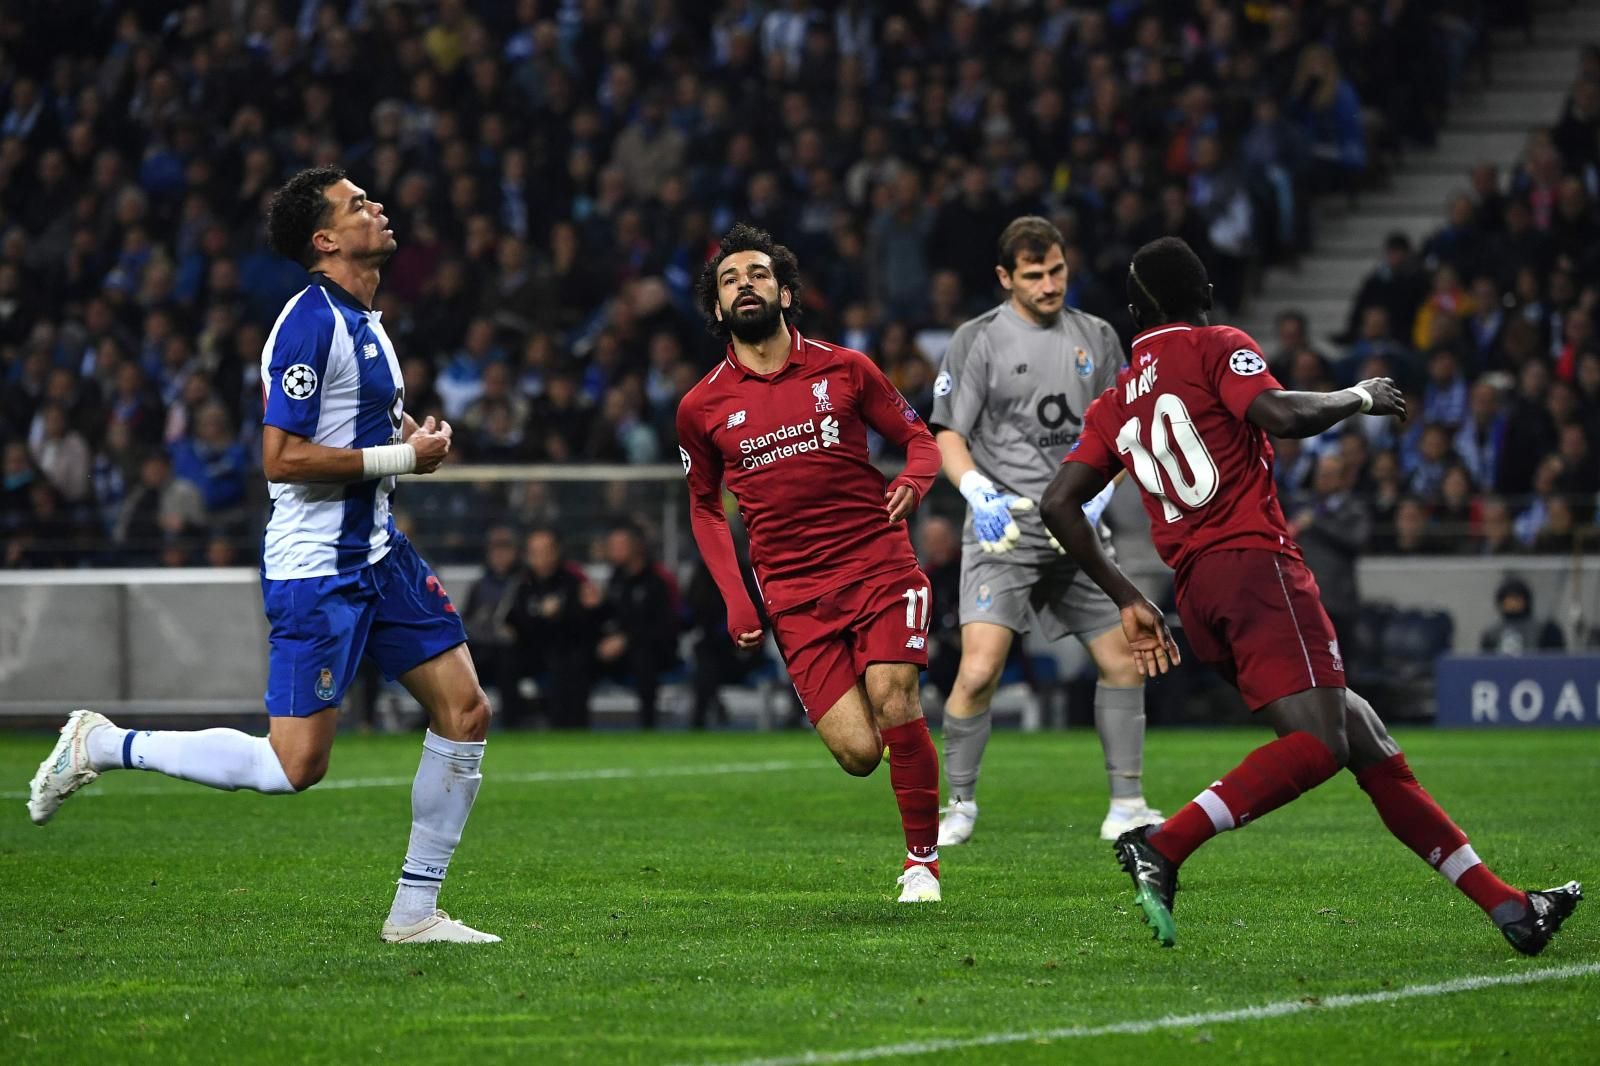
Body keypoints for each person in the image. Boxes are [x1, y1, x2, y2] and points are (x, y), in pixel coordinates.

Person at [1039, 236, 1580, 955]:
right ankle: (1164, 845)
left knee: (1366, 740)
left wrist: (1128, 596)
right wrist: (1360, 395)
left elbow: (1058, 503)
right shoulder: (1213, 345)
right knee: (1320, 743)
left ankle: (1510, 908)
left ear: (1136, 312)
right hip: (1255, 569)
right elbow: (1280, 415)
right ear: (1202, 297)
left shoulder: (1116, 400)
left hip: (1199, 594)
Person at [28, 167, 500, 945]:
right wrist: (402, 461)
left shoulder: (368, 319)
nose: (376, 207)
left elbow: (363, 423)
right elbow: (279, 458)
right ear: (324, 240)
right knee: (293, 765)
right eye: (357, 206)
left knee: (467, 709)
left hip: (381, 552)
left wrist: (415, 438)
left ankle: (415, 914)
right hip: (318, 566)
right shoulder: (309, 324)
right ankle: (103, 743)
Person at [676, 222, 945, 902]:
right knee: (859, 754)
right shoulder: (700, 407)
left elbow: (921, 442)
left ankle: (922, 864)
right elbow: (706, 509)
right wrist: (739, 599)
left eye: (759, 274)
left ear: (787, 293)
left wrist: (912, 484)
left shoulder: (847, 368)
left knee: (894, 696)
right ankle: (908, 773)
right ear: (716, 307)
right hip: (794, 593)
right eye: (731, 278)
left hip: (877, 563)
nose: (745, 284)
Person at [928, 216, 1159, 846]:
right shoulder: (978, 340)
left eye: (1056, 270)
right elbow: (947, 431)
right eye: (1034, 275)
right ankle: (961, 805)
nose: (1049, 284)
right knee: (977, 672)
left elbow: (1125, 429)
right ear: (1006, 278)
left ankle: (1127, 805)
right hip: (1006, 532)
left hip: (1078, 529)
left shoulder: (1098, 336)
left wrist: (1102, 493)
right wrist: (977, 491)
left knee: (1122, 663)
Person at [505, 527, 603, 730]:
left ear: (557, 551)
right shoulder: (521, 582)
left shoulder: (573, 580)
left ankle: (571, 727)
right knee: (504, 661)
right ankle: (512, 726)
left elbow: (587, 625)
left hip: (566, 649)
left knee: (573, 662)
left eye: (545, 550)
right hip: (532, 650)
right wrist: (540, 615)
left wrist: (579, 610)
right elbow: (514, 620)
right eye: (534, 552)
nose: (539, 557)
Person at [596, 518, 682, 730]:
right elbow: (612, 618)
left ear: (637, 546)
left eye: (619, 545)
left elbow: (665, 626)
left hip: (657, 651)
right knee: (575, 655)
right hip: (620, 651)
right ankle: (569, 728)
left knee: (645, 659)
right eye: (611, 545)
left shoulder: (659, 580)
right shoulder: (616, 579)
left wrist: (627, 639)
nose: (613, 550)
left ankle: (647, 727)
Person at [1480, 576, 1566, 655]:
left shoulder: (1546, 629)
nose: (1512, 604)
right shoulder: (1491, 633)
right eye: (1508, 600)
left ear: (1526, 600)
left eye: (1516, 599)